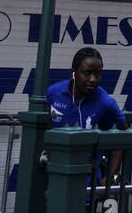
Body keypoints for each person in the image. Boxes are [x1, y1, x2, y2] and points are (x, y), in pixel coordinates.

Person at [48, 46, 126, 182]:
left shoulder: (106, 103)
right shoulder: (53, 93)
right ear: (73, 72)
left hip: (88, 178)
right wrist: (49, 157)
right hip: (56, 172)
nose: (93, 79)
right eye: (87, 73)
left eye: (98, 74)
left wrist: (110, 176)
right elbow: (50, 124)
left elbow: (124, 134)